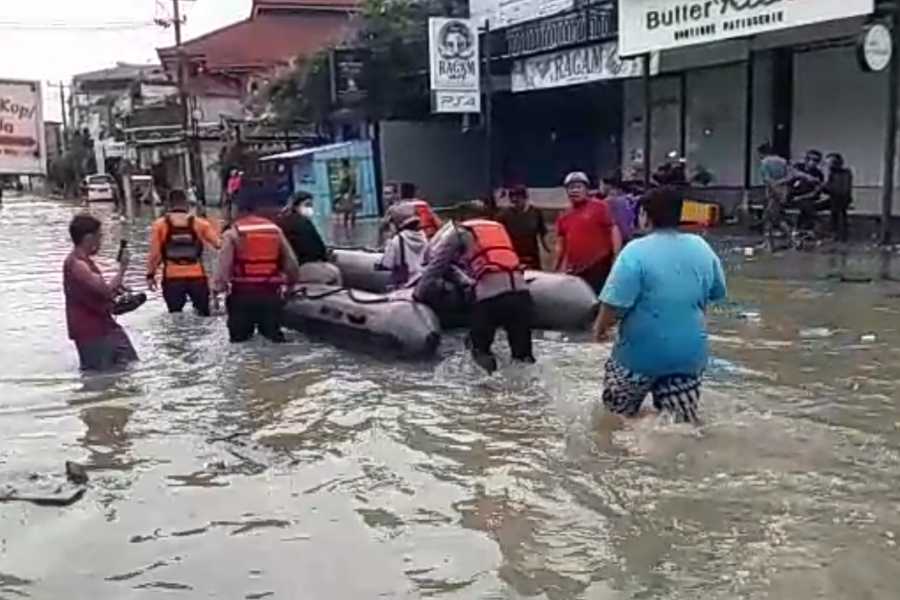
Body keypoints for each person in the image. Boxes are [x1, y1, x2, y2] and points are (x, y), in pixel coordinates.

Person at [593, 187, 726, 424]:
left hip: (637, 357)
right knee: (680, 426)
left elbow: (613, 304)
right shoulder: (702, 247)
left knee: (615, 419)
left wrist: (600, 330)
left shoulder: (634, 251)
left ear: (645, 215)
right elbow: (715, 292)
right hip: (687, 356)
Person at [415, 219, 534, 374]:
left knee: (479, 349)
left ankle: (485, 393)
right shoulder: (499, 228)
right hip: (522, 296)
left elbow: (435, 268)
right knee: (523, 355)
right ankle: (529, 394)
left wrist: (418, 295)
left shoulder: (459, 233)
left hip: (490, 300)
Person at [214, 196, 302, 343]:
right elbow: (291, 263)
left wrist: (217, 289)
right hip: (270, 294)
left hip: (242, 295)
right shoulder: (275, 230)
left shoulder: (233, 232)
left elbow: (223, 266)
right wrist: (291, 285)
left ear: (238, 211)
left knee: (240, 342)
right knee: (273, 338)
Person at [63, 213, 139, 371]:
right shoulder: (77, 264)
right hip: (92, 333)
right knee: (100, 377)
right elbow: (103, 290)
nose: (101, 241)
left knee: (130, 365)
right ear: (89, 238)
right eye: (100, 236)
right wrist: (122, 269)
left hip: (106, 327)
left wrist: (116, 288)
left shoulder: (85, 262)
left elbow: (101, 292)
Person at [146, 189, 222, 316]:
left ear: (168, 205)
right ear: (186, 203)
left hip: (172, 278)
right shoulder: (201, 223)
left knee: (175, 316)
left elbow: (155, 254)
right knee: (203, 315)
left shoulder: (159, 225)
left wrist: (150, 275)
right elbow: (219, 245)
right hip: (197, 276)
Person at [555, 172, 622, 292]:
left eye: (578, 187)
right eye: (571, 188)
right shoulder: (564, 215)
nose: (574, 191)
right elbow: (561, 245)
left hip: (599, 265)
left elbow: (614, 230)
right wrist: (557, 268)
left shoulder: (600, 207)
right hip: (575, 270)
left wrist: (616, 257)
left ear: (586, 189)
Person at [276, 191, 342, 285]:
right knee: (334, 272)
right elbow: (317, 249)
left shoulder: (282, 221)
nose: (310, 208)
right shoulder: (303, 223)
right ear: (296, 206)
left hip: (288, 269)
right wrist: (326, 257)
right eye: (307, 205)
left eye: (311, 205)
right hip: (301, 267)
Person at [496, 185, 549, 270]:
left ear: (525, 198)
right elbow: (498, 235)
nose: (515, 200)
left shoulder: (535, 213)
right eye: (512, 198)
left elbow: (542, 232)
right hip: (513, 254)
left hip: (532, 255)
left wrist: (547, 248)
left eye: (518, 198)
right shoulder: (503, 215)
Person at [379, 203, 428, 289]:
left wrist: (387, 243)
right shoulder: (423, 237)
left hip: (405, 285)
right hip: (421, 282)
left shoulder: (396, 240)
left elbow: (387, 264)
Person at [758, 143, 792, 247]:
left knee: (774, 218)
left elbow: (767, 180)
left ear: (762, 153)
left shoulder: (764, 163)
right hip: (784, 191)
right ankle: (769, 242)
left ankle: (791, 239)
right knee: (771, 217)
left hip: (772, 193)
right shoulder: (783, 161)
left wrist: (774, 189)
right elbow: (790, 177)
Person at [599, 174, 638, 244]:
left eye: (601, 185)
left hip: (616, 239)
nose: (600, 188)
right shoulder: (626, 199)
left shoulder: (607, 202)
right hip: (629, 236)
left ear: (607, 185)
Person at [824, 153, 853, 243]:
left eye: (829, 163)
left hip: (840, 199)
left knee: (836, 214)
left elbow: (839, 189)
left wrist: (826, 187)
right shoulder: (835, 173)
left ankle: (837, 234)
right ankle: (836, 234)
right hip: (837, 198)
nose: (827, 165)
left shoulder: (842, 174)